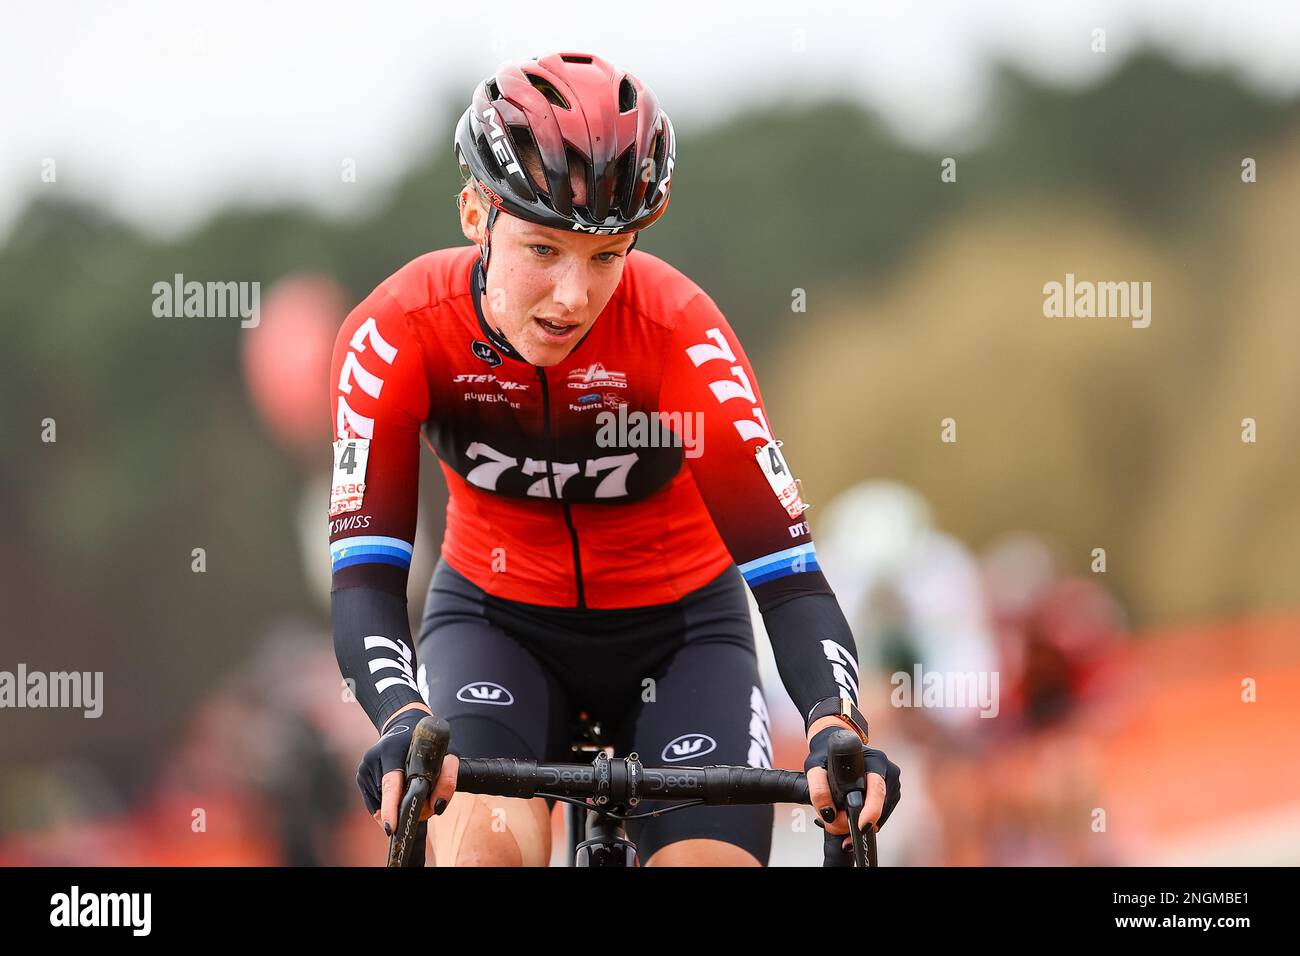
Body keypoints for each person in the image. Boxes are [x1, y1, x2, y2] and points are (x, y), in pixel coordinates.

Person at [329, 51, 900, 866]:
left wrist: (834, 723)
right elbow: (365, 579)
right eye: (542, 250)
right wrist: (398, 717)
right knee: (482, 857)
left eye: (607, 255)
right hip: (497, 624)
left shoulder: (680, 334)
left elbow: (789, 576)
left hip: (683, 635)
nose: (573, 296)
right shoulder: (398, 332)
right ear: (473, 214)